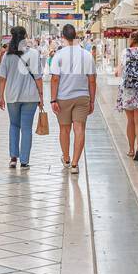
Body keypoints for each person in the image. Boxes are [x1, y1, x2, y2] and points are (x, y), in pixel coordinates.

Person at [49, 23, 97, 174]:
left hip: (63, 97)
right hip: (82, 97)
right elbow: (92, 80)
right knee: (79, 129)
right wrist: (92, 100)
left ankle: (67, 158)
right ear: (76, 36)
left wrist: (53, 99)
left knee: (64, 129)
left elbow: (55, 79)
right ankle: (75, 164)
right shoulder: (86, 55)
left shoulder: (59, 55)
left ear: (63, 37)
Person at [0, 26, 45, 170]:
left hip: (12, 96)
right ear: (25, 37)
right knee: (26, 128)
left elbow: (2, 78)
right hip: (30, 97)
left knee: (13, 125)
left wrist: (1, 96)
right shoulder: (34, 54)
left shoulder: (7, 55)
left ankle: (13, 158)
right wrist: (41, 96)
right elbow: (38, 78)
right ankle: (24, 160)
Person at [116, 30, 138, 161]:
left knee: (130, 121)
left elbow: (118, 72)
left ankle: (131, 149)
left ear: (131, 40)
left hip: (128, 90)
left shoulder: (125, 52)